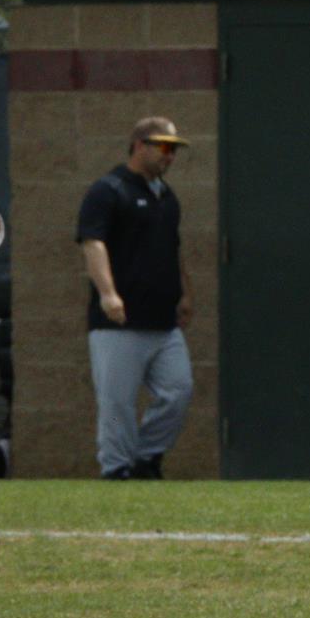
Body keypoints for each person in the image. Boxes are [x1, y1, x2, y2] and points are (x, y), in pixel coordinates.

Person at [75, 117, 194, 481]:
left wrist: (185, 293)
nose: (170, 156)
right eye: (165, 147)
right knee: (118, 403)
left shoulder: (167, 196)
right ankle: (116, 469)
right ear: (140, 145)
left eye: (174, 150)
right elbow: (93, 243)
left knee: (178, 390)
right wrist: (108, 294)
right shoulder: (108, 190)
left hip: (163, 321)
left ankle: (146, 458)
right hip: (119, 322)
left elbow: (174, 248)